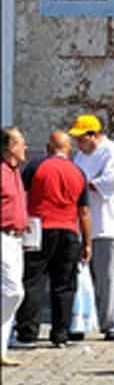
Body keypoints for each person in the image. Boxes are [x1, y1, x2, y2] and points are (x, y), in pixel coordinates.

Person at [15, 131, 91, 348]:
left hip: (39, 227)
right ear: (69, 149)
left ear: (49, 147)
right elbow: (84, 211)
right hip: (68, 230)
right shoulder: (78, 172)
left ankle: (27, 333)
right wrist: (87, 242)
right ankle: (60, 334)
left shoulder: (36, 166)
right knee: (65, 284)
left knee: (32, 281)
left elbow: (20, 195)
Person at [69, 114, 114, 342]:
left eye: (81, 139)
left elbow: (110, 182)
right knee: (81, 277)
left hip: (108, 225)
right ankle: (80, 321)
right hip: (83, 224)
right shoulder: (80, 156)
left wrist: (82, 183)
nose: (78, 144)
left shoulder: (113, 151)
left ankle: (109, 324)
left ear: (93, 135)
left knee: (106, 278)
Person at [1, 127, 28, 366]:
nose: (25, 147)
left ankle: (1, 350)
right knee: (13, 291)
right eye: (21, 143)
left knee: (9, 294)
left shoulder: (15, 170)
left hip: (17, 238)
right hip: (2, 236)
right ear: (10, 147)